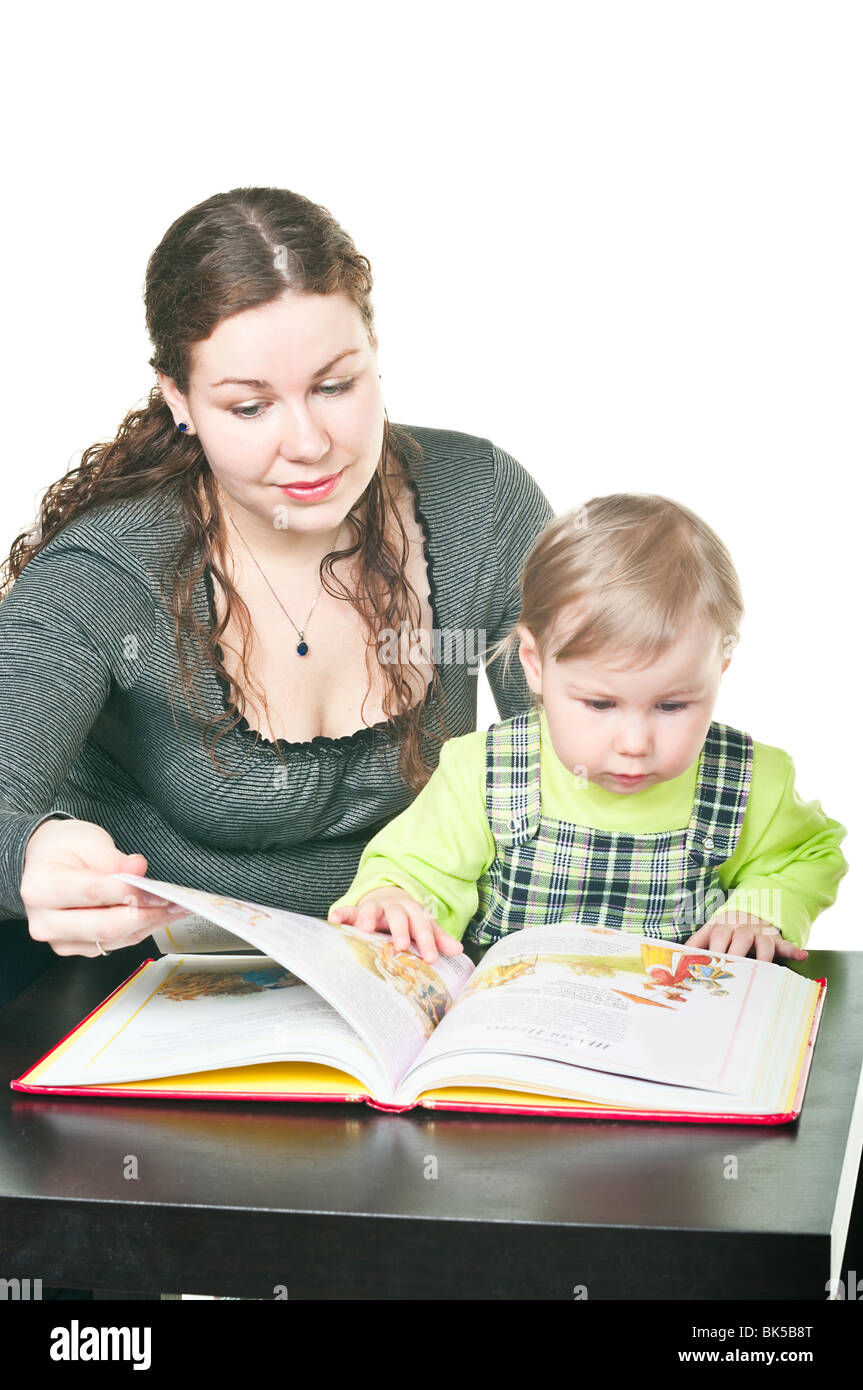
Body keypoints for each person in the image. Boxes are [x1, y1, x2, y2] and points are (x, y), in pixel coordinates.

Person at [0, 186, 553, 996]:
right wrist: (30, 854)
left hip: (417, 984)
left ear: (373, 351)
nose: (309, 442)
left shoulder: (484, 503)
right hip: (137, 998)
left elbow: (583, 750)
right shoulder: (108, 572)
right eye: (250, 406)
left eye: (335, 386)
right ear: (179, 400)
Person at [328, 494, 848, 964]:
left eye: (672, 706)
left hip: (669, 1038)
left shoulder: (750, 780)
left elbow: (808, 856)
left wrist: (758, 909)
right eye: (600, 703)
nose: (634, 745)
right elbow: (418, 869)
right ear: (536, 664)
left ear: (721, 668)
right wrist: (392, 897)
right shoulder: (483, 772)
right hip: (513, 1031)